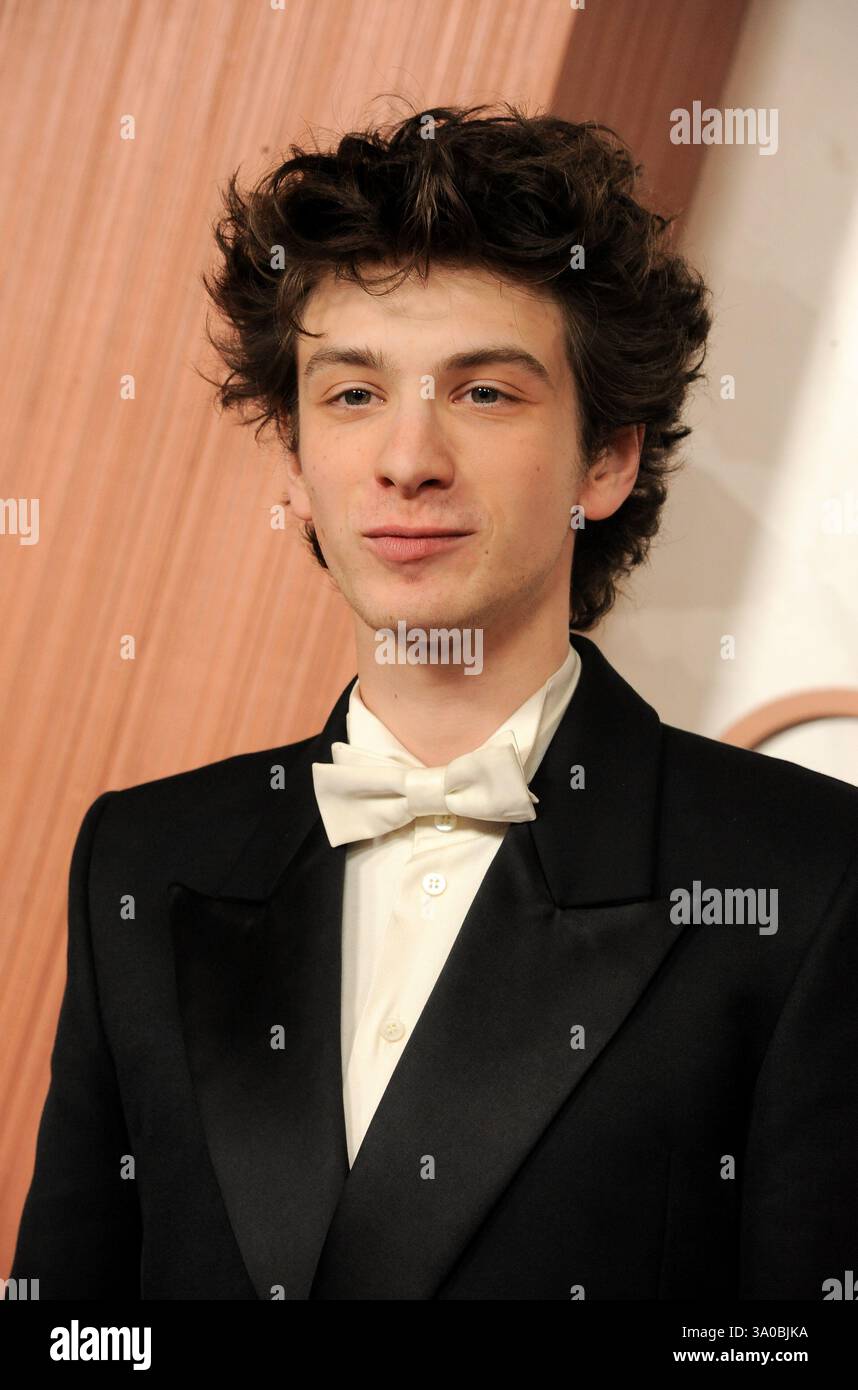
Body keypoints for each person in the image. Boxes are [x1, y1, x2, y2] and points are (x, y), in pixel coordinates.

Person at [11, 102, 858, 1300]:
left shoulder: (811, 878)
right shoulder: (144, 857)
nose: (407, 461)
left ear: (607, 457)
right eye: (353, 396)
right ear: (293, 459)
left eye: (485, 393)